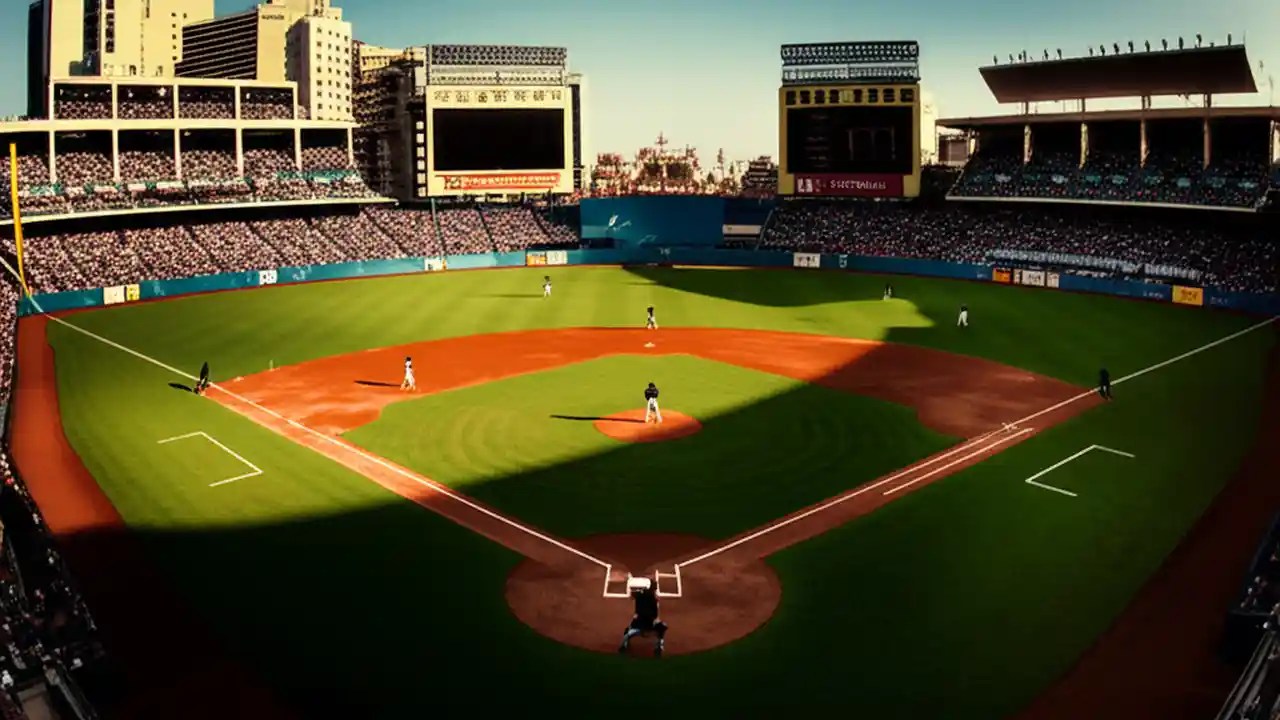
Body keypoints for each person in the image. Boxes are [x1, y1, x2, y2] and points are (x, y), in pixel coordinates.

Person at [618, 577, 668, 657]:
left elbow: (632, 595)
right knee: (663, 627)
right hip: (650, 625)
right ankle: (659, 646)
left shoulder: (640, 595)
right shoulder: (654, 600)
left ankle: (624, 645)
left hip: (638, 623)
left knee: (627, 631)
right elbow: (655, 616)